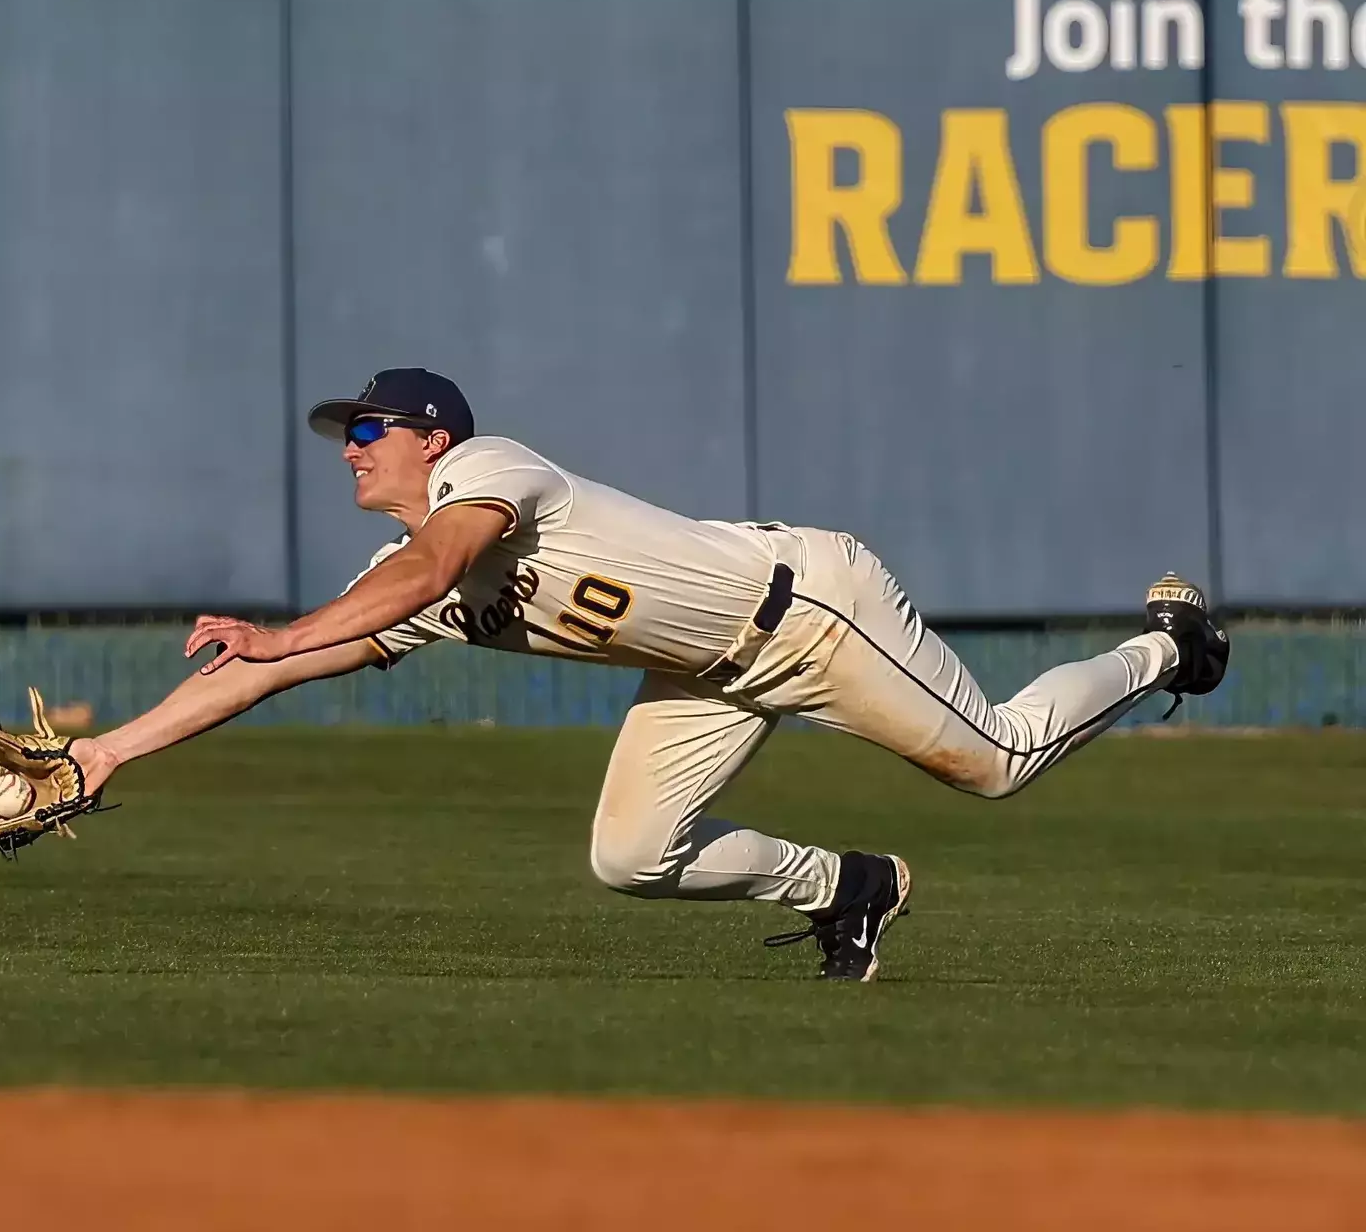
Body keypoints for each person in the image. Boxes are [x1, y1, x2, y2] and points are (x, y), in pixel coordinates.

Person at [65, 368, 1229, 982]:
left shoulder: (493, 471)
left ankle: (1166, 646)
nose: (354, 448)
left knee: (997, 765)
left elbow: (431, 568)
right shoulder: (412, 568)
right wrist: (102, 753)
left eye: (372, 429)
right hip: (703, 673)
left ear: (432, 439)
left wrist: (280, 630)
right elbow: (270, 674)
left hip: (811, 611)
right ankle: (847, 888)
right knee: (628, 856)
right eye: (347, 434)